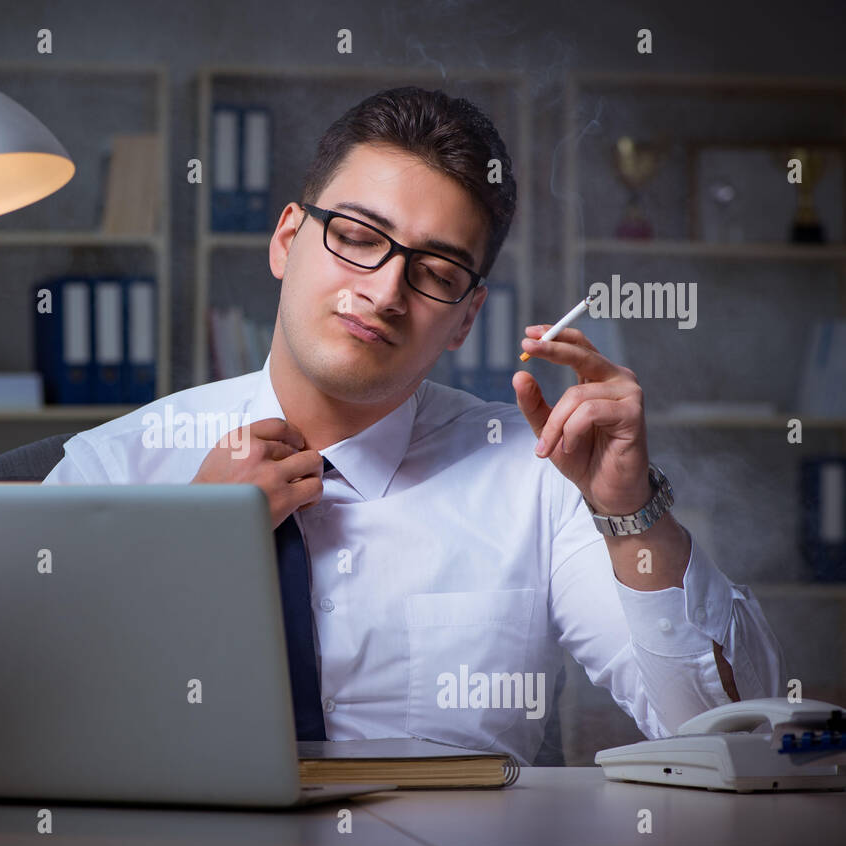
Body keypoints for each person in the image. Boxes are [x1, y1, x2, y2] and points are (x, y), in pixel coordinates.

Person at [42, 86, 785, 765]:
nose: (385, 290)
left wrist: (632, 515)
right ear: (285, 240)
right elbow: (32, 721)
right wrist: (180, 553)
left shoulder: (537, 476)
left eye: (434, 272)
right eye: (359, 237)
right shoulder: (115, 465)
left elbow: (733, 733)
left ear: (466, 317)